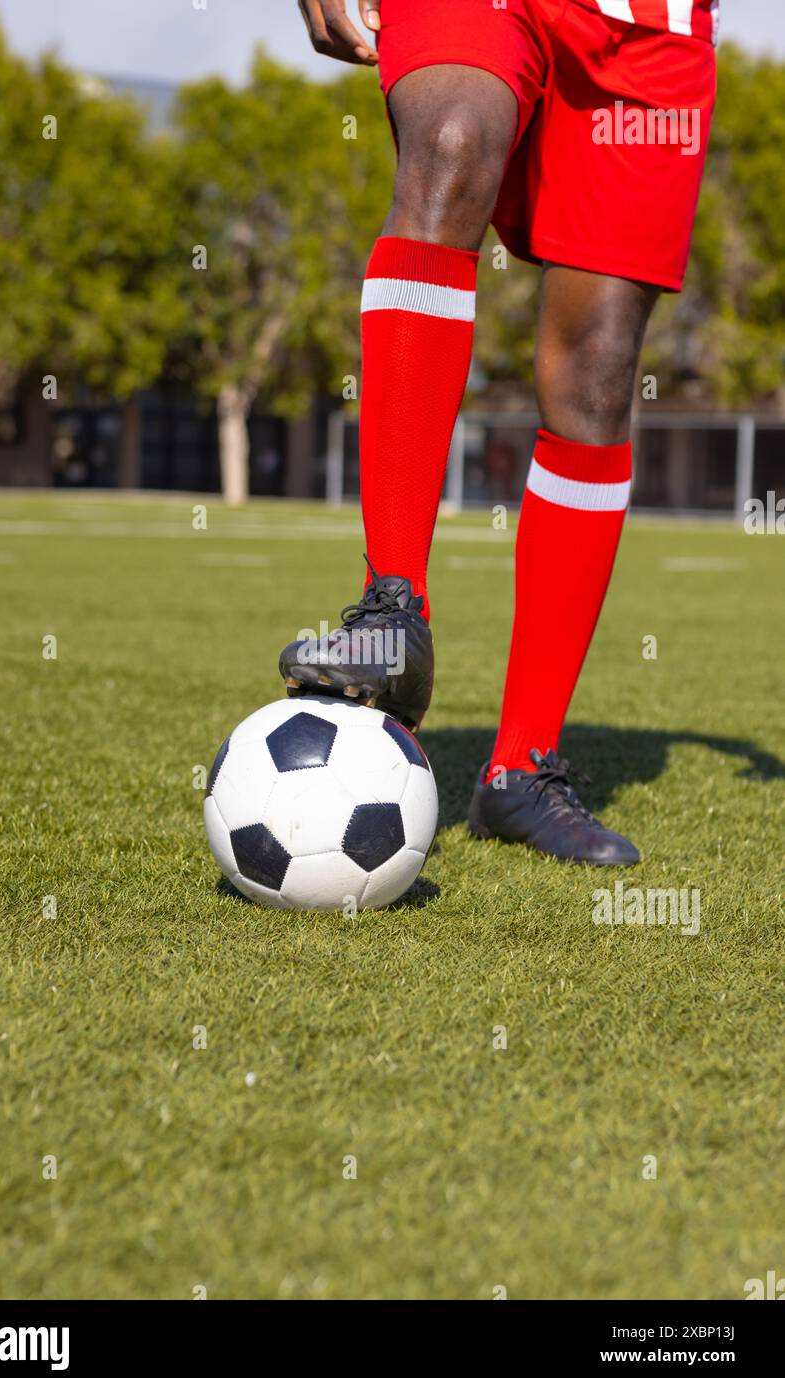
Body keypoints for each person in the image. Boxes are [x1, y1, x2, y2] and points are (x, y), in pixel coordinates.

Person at [283, 0, 718, 864]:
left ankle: (520, 772)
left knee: (596, 369)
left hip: (646, 27)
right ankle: (392, 609)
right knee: (449, 142)